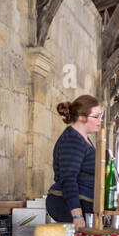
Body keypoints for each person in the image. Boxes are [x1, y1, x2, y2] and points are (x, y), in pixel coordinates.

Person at [46, 95, 103, 228]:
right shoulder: (72, 140)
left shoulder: (83, 139)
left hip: (84, 204)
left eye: (101, 115)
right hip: (68, 206)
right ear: (82, 118)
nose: (100, 120)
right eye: (96, 116)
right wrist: (77, 215)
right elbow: (68, 179)